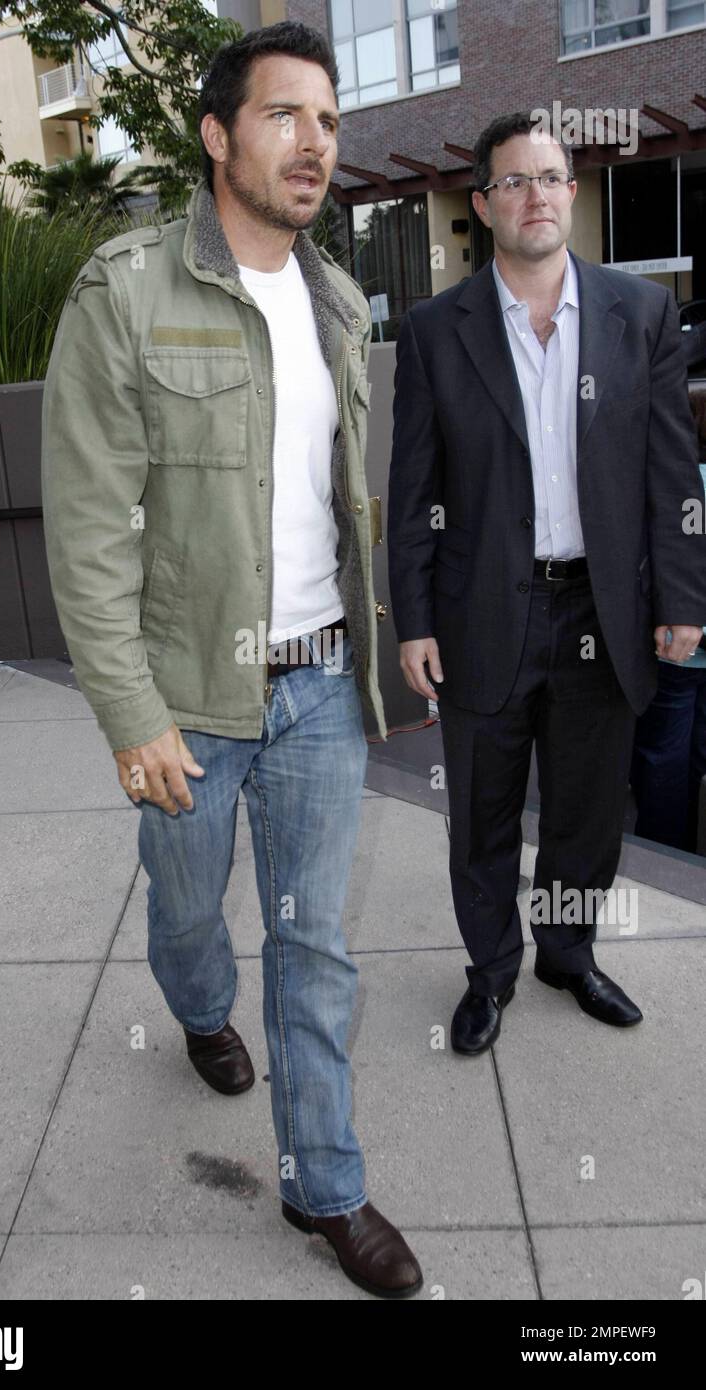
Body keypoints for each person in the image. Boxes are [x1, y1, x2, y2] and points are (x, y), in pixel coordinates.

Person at [41, 21, 421, 1298]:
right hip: (188, 700)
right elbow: (90, 527)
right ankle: (200, 1008)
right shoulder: (125, 290)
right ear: (217, 135)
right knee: (192, 915)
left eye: (328, 120)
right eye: (283, 117)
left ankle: (328, 1188)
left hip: (316, 687)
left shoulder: (340, 299)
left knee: (314, 950)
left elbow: (340, 504)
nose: (315, 142)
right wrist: (128, 712)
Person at [388, 111, 706, 1056]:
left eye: (553, 177)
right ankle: (490, 974)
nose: (537, 195)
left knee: (585, 811)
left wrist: (685, 602)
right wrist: (412, 618)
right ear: (483, 204)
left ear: (574, 191)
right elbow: (414, 491)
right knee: (481, 815)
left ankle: (567, 954)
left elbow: (670, 473)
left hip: (603, 613)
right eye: (515, 180)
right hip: (483, 612)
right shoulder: (435, 331)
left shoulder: (638, 314)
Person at [630, 390, 706, 852]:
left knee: (664, 758)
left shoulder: (678, 484)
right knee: (690, 756)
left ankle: (662, 858)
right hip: (686, 647)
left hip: (676, 649)